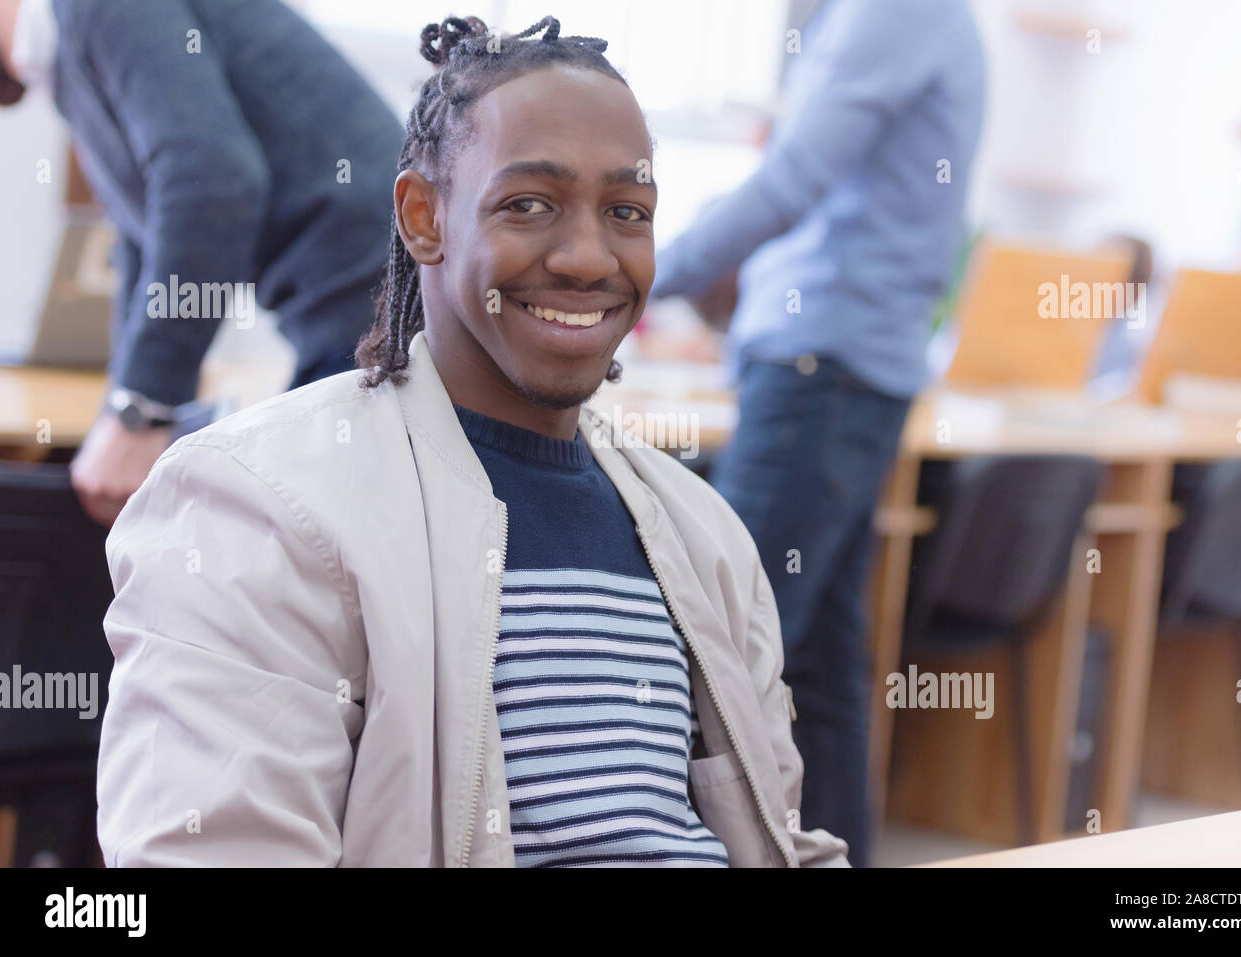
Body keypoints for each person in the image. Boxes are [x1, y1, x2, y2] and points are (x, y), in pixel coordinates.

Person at [95, 15, 849, 868]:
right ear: (423, 217)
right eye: (528, 204)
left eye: (627, 211)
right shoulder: (257, 501)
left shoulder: (703, 535)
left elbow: (775, 837)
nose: (586, 257)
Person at [649, 0, 985, 865]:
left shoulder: (894, 12)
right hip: (854, 366)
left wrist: (640, 276)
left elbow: (795, 176)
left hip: (818, 366)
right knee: (822, 662)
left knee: (715, 651)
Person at [0, 0, 404, 525]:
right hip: (356, 320)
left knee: (270, 547)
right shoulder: (65, 56)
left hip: (388, 316)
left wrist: (145, 408)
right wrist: (127, 412)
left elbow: (212, 183)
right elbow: (144, 243)